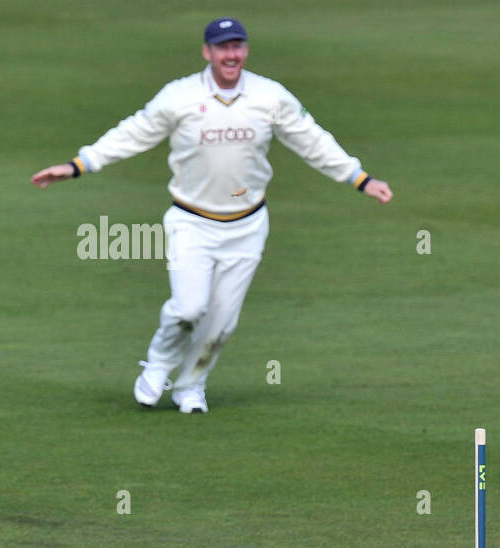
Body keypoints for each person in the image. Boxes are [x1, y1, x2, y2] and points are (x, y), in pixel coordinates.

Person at [31, 17, 393, 414]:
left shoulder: (269, 97)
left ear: (246, 50)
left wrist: (359, 178)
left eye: (238, 46)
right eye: (223, 47)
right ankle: (158, 362)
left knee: (221, 324)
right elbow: (133, 132)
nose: (231, 54)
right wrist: (79, 164)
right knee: (189, 308)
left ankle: (190, 387)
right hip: (191, 220)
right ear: (207, 52)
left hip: (248, 224)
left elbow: (312, 140)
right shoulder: (179, 97)